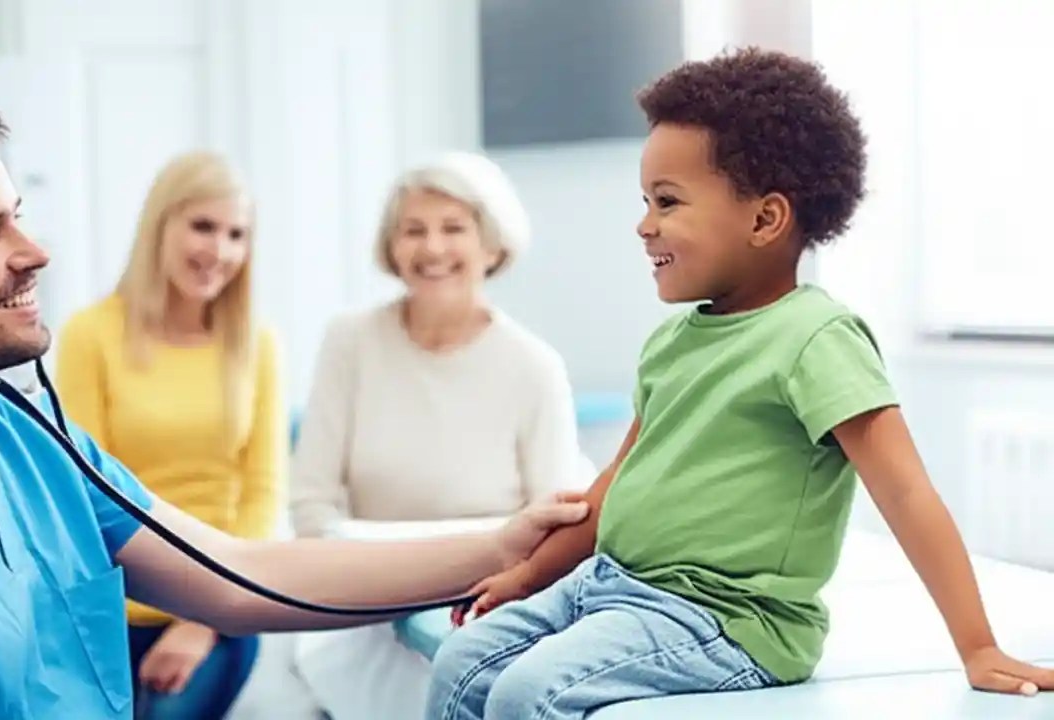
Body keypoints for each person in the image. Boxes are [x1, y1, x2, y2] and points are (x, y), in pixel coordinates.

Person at [0, 96, 589, 720]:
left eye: (16, 218)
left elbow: (242, 573)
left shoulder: (24, 440)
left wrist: (501, 543)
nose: (36, 253)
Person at [424, 48, 1054, 719]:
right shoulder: (671, 343)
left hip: (728, 621)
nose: (643, 225)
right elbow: (616, 487)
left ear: (764, 220)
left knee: (530, 692)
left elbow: (905, 492)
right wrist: (527, 577)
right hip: (614, 586)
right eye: (645, 201)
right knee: (460, 663)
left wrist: (978, 647)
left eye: (666, 202)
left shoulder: (816, 337)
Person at [289, 152, 590, 719]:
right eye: (414, 230)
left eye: (454, 229)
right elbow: (311, 506)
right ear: (392, 246)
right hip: (363, 604)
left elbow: (553, 532)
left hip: (480, 605)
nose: (432, 249)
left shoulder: (534, 365)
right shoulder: (349, 342)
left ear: (492, 245)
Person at [55, 152, 281, 718]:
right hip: (108, 610)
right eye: (203, 226)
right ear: (161, 224)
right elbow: (84, 489)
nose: (220, 251)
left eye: (237, 235)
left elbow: (262, 494)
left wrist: (202, 620)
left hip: (218, 610)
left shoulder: (257, 344)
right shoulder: (92, 334)